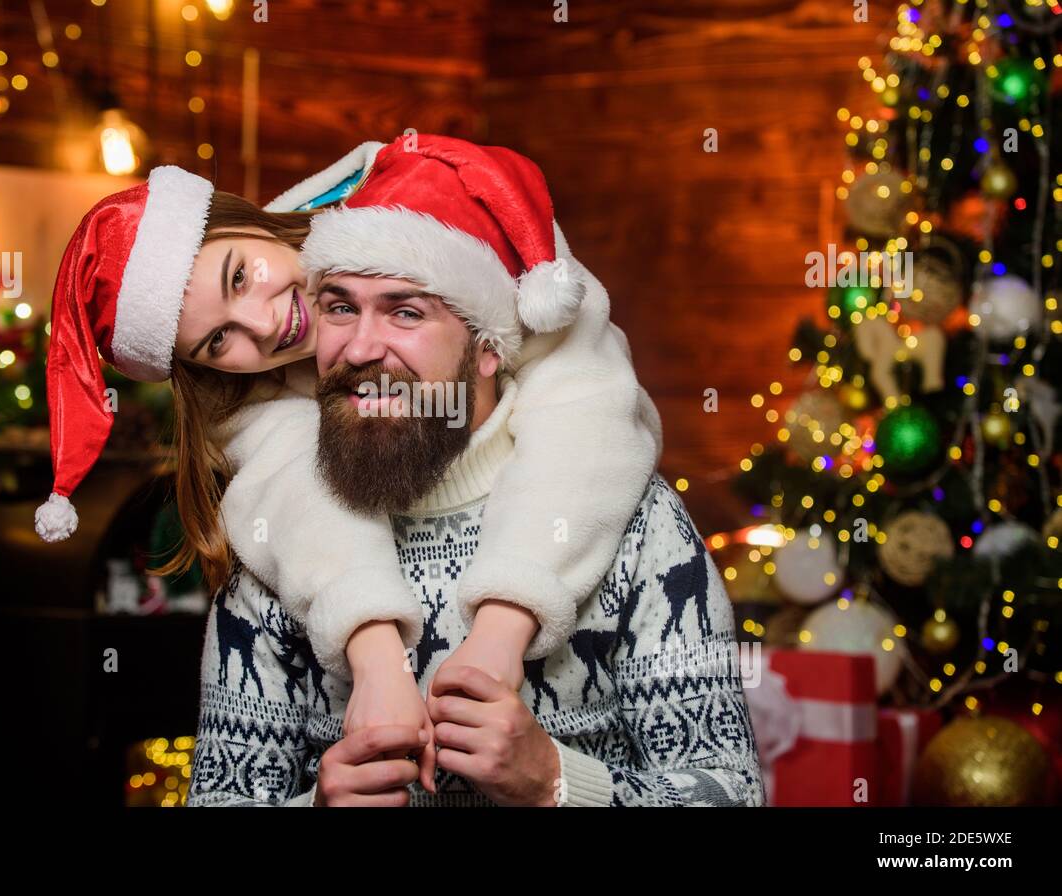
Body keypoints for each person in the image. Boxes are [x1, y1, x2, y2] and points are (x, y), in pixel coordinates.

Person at [36, 137, 663, 788]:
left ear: (250, 221)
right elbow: (296, 493)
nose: (265, 322)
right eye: (219, 339)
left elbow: (588, 402)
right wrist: (377, 658)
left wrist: (500, 635)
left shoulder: (432, 216)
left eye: (240, 275)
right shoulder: (250, 399)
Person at [184, 152, 764, 803]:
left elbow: (734, 793)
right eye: (340, 308)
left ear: (490, 348)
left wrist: (558, 783)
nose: (360, 348)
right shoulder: (278, 541)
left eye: (406, 312)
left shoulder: (637, 524)